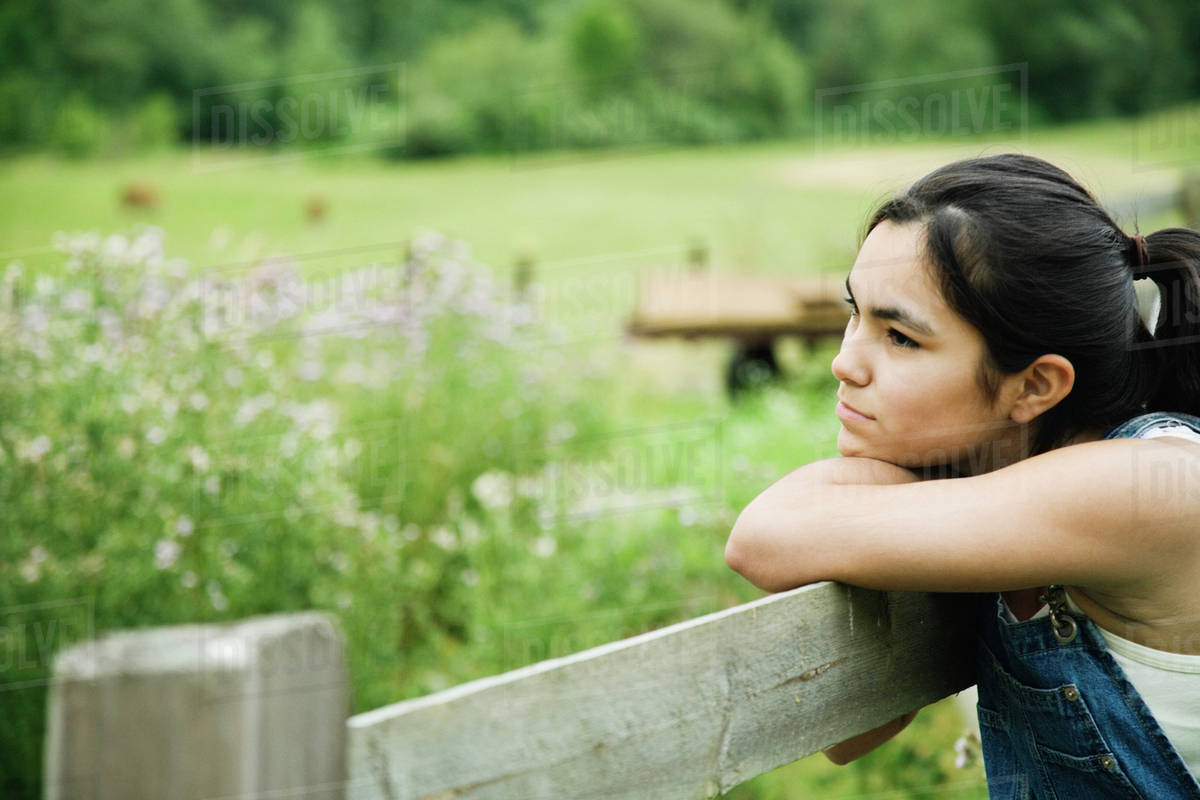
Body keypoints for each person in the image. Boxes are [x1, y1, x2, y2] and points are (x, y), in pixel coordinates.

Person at [723, 153, 1200, 798]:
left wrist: (898, 490)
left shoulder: (1147, 483)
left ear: (1035, 384)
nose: (843, 362)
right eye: (854, 312)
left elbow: (765, 536)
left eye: (900, 338)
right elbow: (852, 735)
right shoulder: (995, 482)